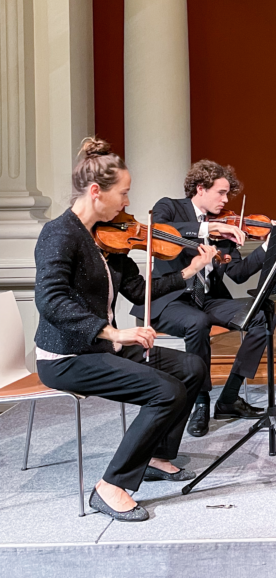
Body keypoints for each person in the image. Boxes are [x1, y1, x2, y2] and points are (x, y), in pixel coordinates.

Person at [35, 138, 215, 523]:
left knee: (192, 369)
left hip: (100, 347)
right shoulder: (59, 234)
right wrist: (113, 333)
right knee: (165, 391)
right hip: (67, 355)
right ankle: (110, 486)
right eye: (124, 193)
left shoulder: (108, 238)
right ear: (97, 191)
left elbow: (137, 290)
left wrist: (189, 272)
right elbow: (51, 302)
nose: (128, 203)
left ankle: (155, 454)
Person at [133, 160, 276, 438]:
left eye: (228, 195)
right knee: (197, 322)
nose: (226, 200)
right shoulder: (170, 206)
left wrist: (266, 247)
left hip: (208, 298)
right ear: (200, 188)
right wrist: (208, 229)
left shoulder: (228, 225)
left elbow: (238, 273)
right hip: (169, 299)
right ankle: (200, 401)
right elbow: (160, 229)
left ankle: (229, 397)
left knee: (262, 314)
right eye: (221, 193)